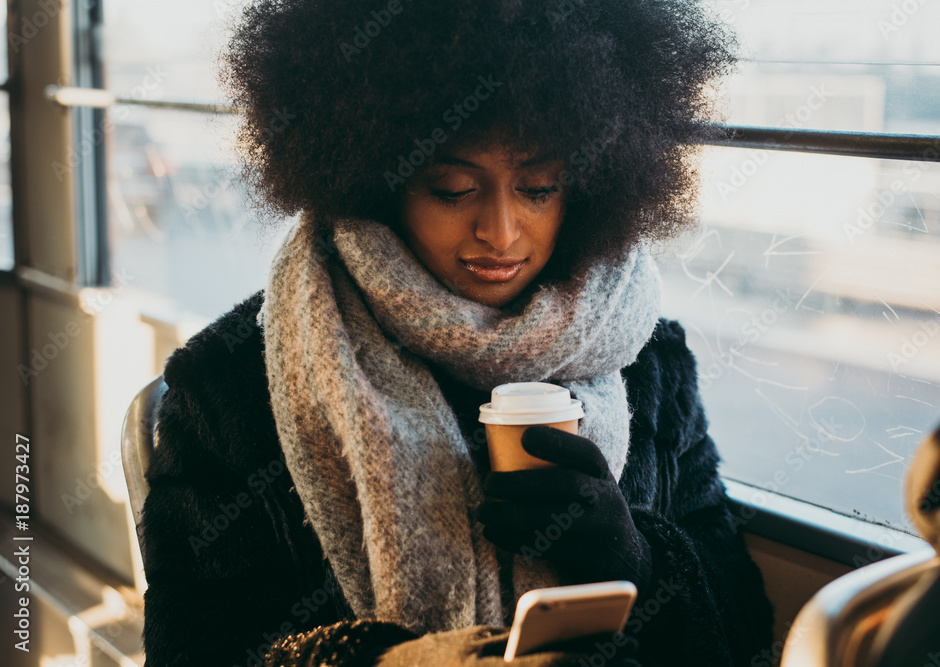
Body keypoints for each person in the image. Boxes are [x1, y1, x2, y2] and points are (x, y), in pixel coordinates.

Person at [139, 0, 775, 665]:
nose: (500, 232)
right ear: (378, 180)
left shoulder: (650, 364)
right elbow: (195, 650)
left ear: (588, 185)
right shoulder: (231, 384)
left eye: (538, 187)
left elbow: (744, 632)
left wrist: (636, 558)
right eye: (450, 188)